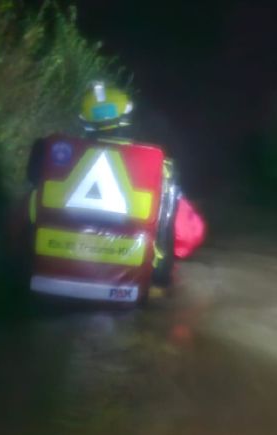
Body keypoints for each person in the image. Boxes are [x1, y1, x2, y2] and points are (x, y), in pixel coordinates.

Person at [15, 82, 204, 304]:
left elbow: (19, 224)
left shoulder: (56, 166)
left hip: (49, 290)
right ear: (126, 119)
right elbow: (189, 236)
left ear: (84, 122)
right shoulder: (156, 169)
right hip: (129, 295)